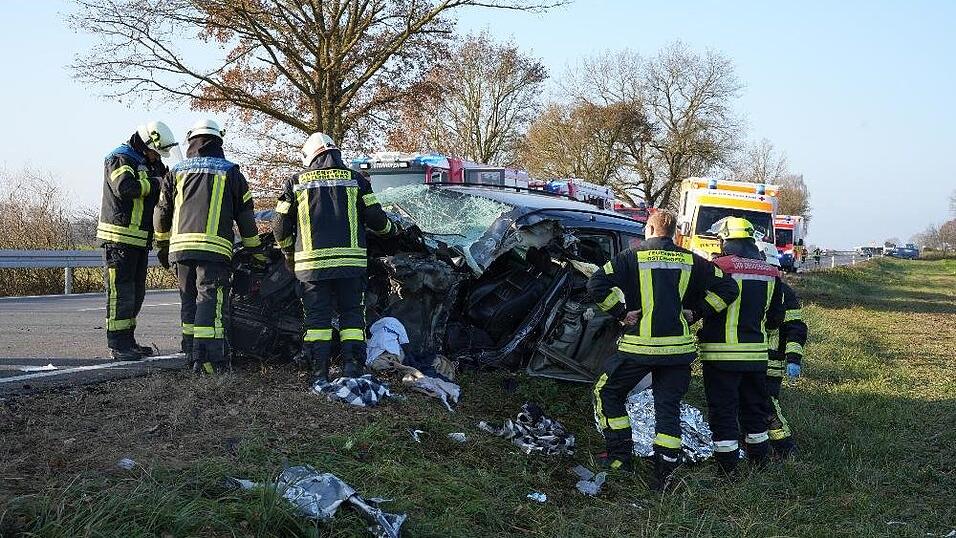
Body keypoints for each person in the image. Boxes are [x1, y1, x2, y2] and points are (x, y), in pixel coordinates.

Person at [587, 210, 738, 490]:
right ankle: (664, 474)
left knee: (608, 392)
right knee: (667, 407)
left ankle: (621, 458)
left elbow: (595, 283)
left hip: (638, 349)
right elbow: (729, 288)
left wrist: (621, 313)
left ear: (650, 228)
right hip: (677, 352)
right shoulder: (692, 260)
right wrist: (698, 312)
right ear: (672, 233)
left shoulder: (631, 256)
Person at [272, 133, 396, 384]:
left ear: (309, 156)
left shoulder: (295, 182)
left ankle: (319, 372)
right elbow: (376, 219)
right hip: (351, 266)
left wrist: (287, 253)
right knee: (352, 317)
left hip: (312, 268)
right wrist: (392, 232)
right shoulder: (356, 180)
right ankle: (353, 369)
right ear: (336, 152)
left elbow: (279, 227)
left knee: (317, 320)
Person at [153, 119, 261, 374]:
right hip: (214, 252)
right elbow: (246, 218)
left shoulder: (176, 171)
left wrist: (162, 245)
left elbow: (161, 213)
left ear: (191, 141)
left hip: (180, 250)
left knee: (189, 301)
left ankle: (190, 355)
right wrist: (255, 252)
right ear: (218, 141)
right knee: (210, 303)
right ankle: (210, 363)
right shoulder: (231, 172)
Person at [697, 217, 785, 475]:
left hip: (719, 355)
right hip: (756, 356)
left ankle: (728, 470)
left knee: (723, 411)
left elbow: (701, 305)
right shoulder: (771, 272)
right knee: (754, 409)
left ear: (725, 240)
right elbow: (775, 319)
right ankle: (759, 462)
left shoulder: (717, 267)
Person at [98, 121, 179, 360]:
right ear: (146, 143)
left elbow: (168, 182)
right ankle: (118, 344)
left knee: (136, 293)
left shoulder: (150, 161)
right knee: (120, 294)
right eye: (156, 151)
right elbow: (124, 187)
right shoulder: (120, 158)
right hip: (119, 239)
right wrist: (156, 184)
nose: (158, 156)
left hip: (140, 239)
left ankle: (128, 340)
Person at [765, 277, 807, 458]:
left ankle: (785, 447)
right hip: (748, 358)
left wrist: (793, 359)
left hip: (771, 361)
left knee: (767, 405)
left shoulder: (783, 292)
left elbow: (795, 327)